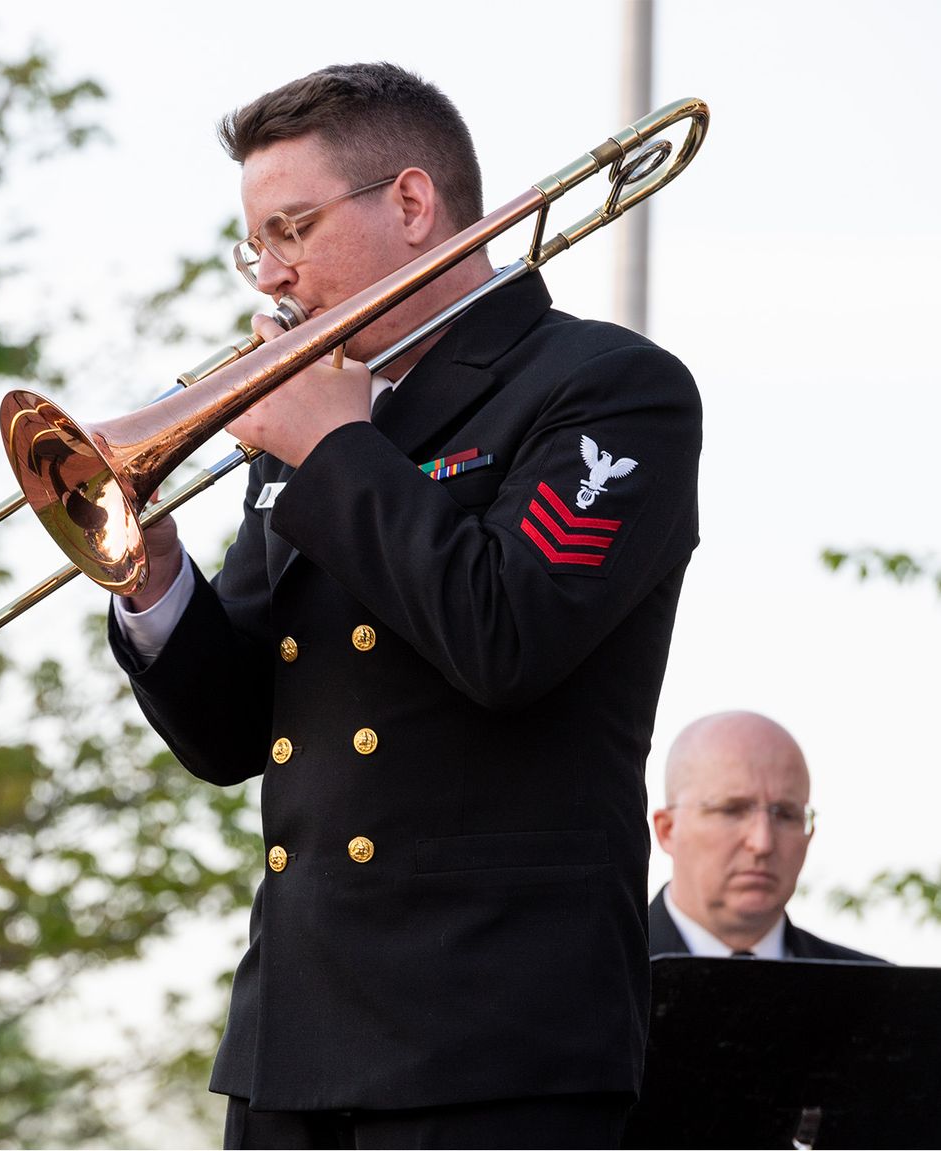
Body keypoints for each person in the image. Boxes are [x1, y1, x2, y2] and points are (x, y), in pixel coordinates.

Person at [107, 63, 703, 1148]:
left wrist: (337, 446)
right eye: (256, 244)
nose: (271, 276)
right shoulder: (317, 427)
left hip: (497, 1039)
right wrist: (154, 582)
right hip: (292, 1037)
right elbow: (232, 733)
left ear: (414, 203)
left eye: (293, 229)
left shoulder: (609, 386)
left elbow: (508, 636)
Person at [650, 710, 884, 961]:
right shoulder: (618, 975)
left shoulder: (878, 983)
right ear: (668, 830)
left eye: (785, 814)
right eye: (732, 811)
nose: (762, 843)